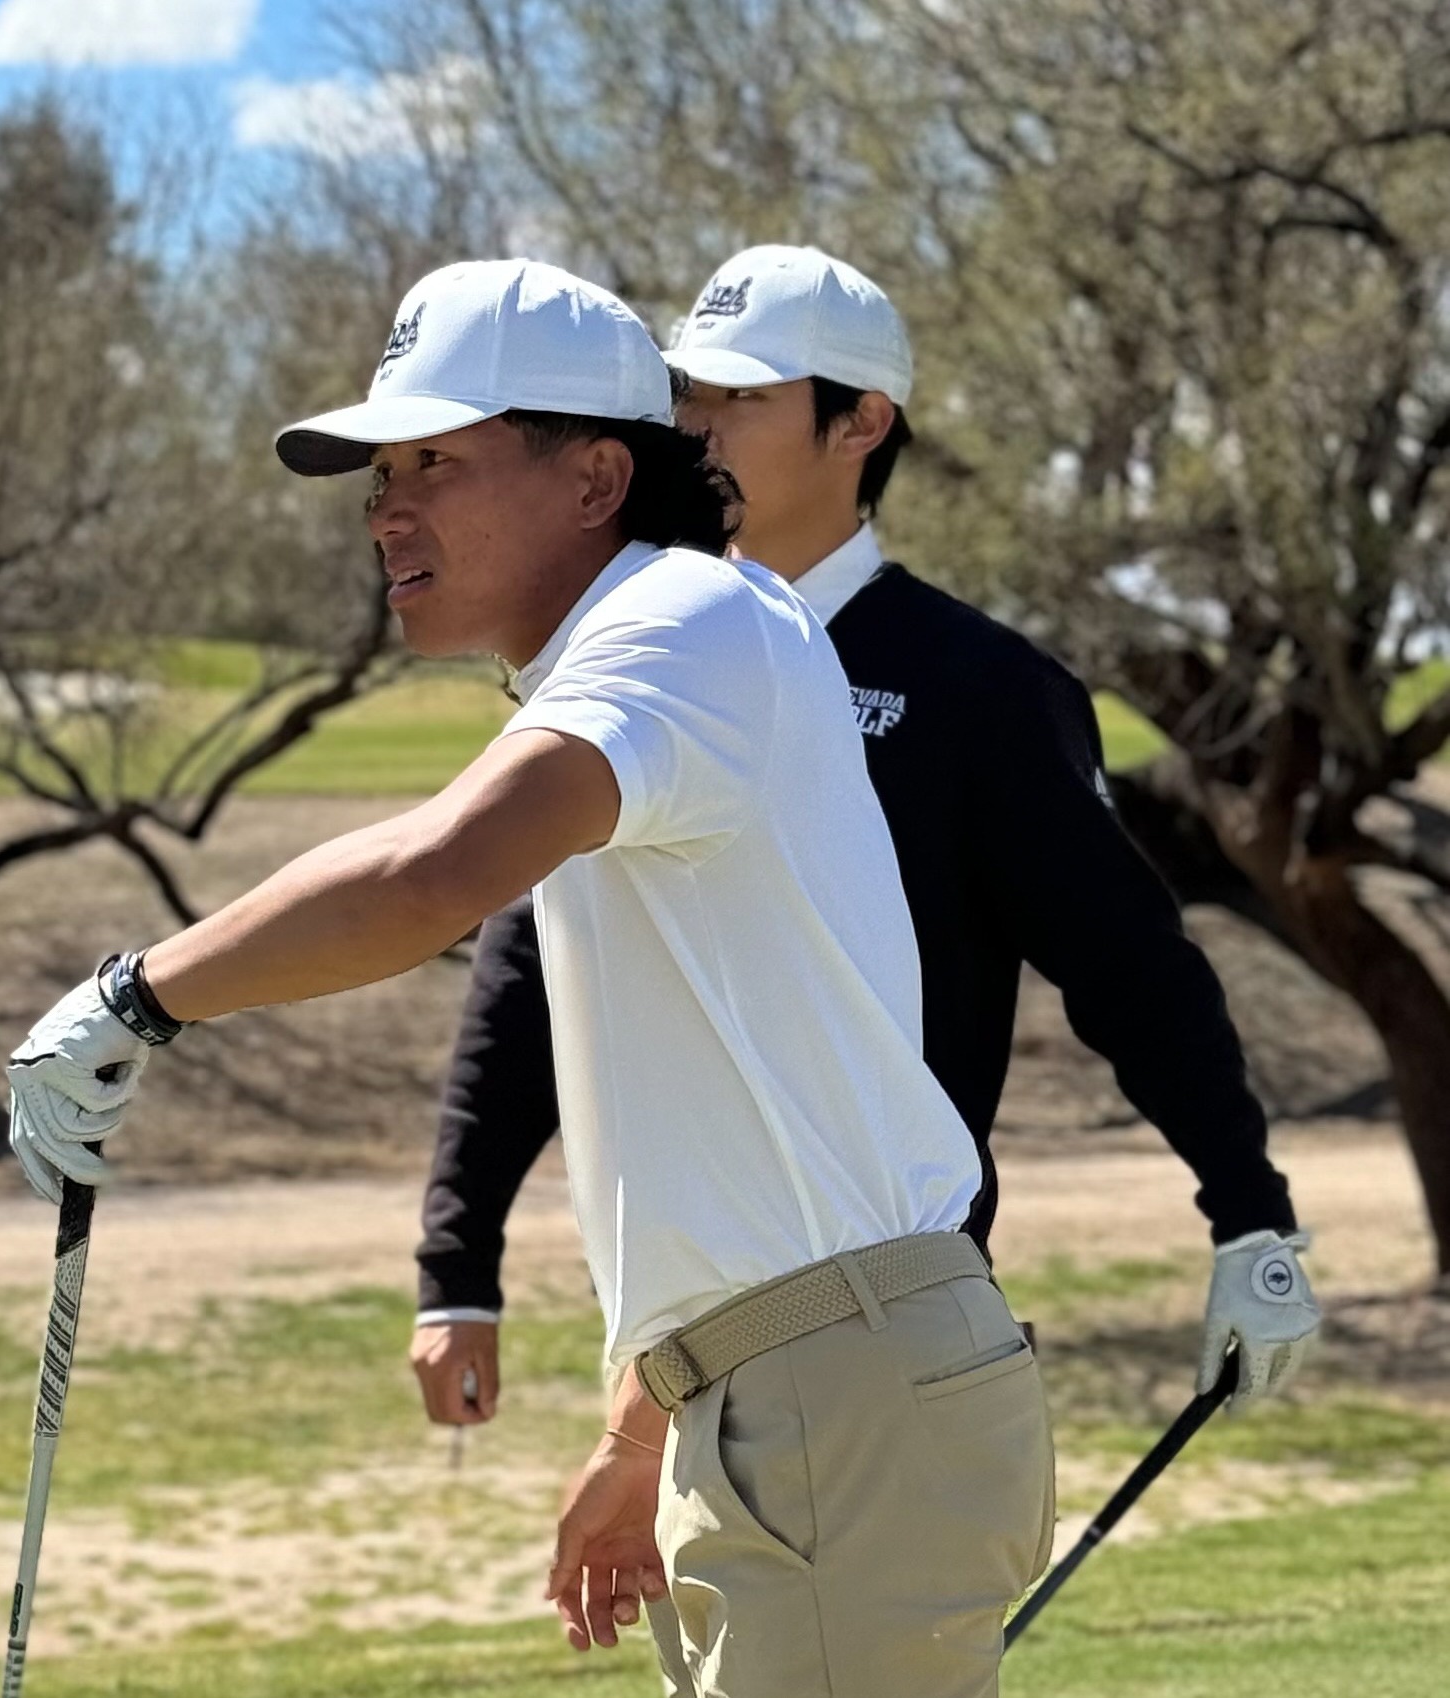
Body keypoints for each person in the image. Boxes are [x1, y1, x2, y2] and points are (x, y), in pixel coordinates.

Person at [6, 256, 1055, 1697]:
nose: (388, 506)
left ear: (593, 479)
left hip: (839, 1389)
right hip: (790, 1381)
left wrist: (139, 995)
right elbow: (723, 1144)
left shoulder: (684, 623)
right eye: (379, 472)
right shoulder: (660, 657)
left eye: (437, 458)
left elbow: (433, 873)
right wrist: (644, 1435)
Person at [406, 247, 1322, 1683]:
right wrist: (459, 1260)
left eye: (739, 394)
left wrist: (1249, 1211)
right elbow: (529, 983)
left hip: (869, 1335)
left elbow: (1131, 967)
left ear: (861, 423)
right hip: (703, 1357)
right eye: (683, 392)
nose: (695, 423)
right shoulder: (605, 665)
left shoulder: (980, 688)